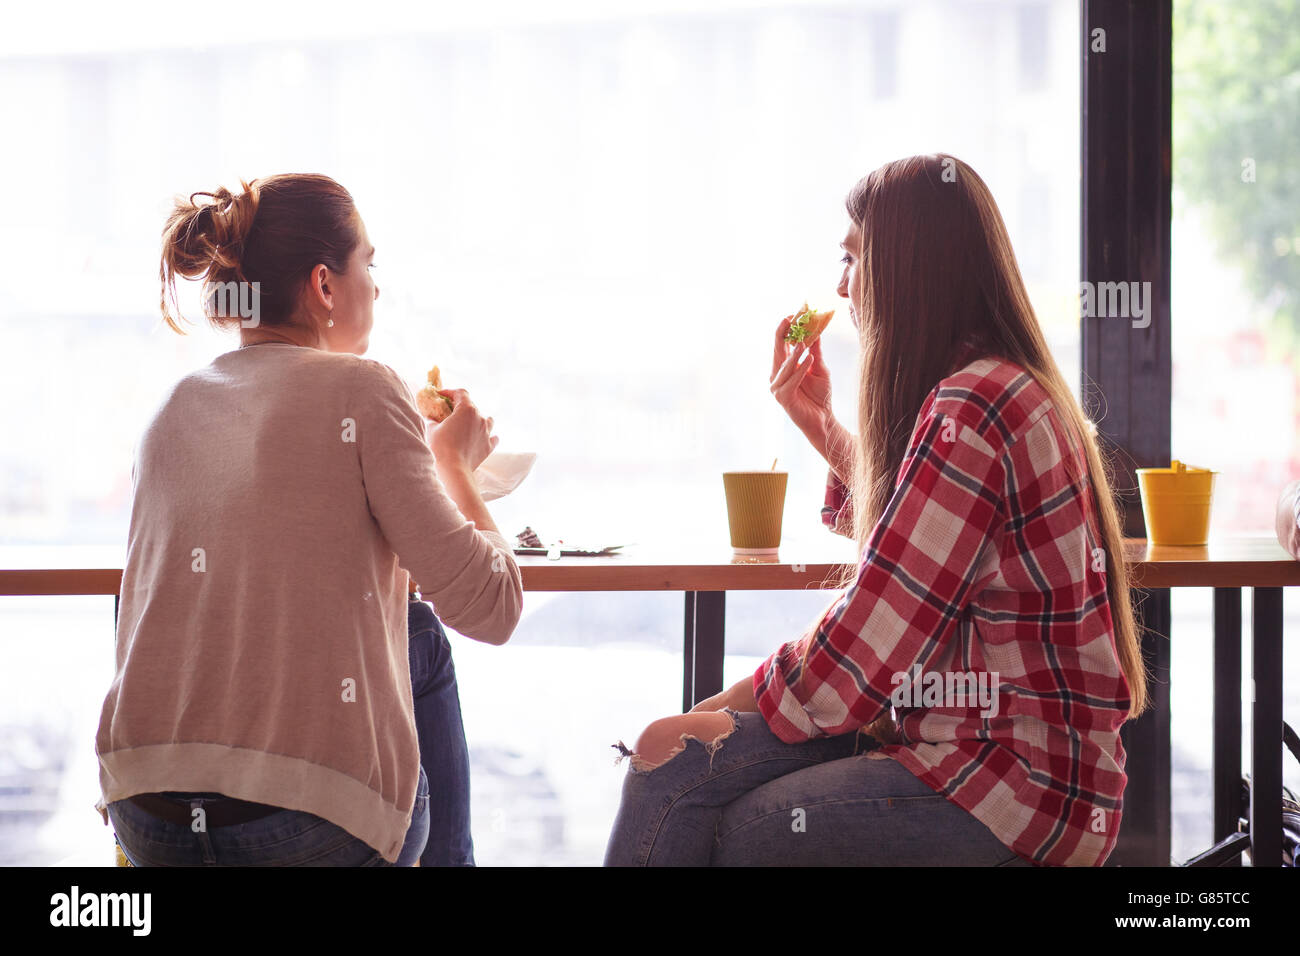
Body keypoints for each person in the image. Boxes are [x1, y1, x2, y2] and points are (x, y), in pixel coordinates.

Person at [604, 154, 1147, 867]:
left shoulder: (973, 406)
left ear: (909, 266)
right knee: (674, 768)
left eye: (853, 257)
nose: (840, 284)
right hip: (1030, 767)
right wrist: (821, 425)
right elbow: (924, 541)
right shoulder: (999, 388)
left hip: (1013, 785)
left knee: (697, 797)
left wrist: (708, 713)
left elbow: (866, 647)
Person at [97, 174, 521, 866]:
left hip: (147, 816)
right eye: (369, 265)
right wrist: (459, 471)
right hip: (296, 832)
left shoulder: (173, 406)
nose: (377, 287)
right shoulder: (364, 386)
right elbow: (494, 607)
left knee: (407, 630)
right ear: (325, 285)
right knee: (425, 638)